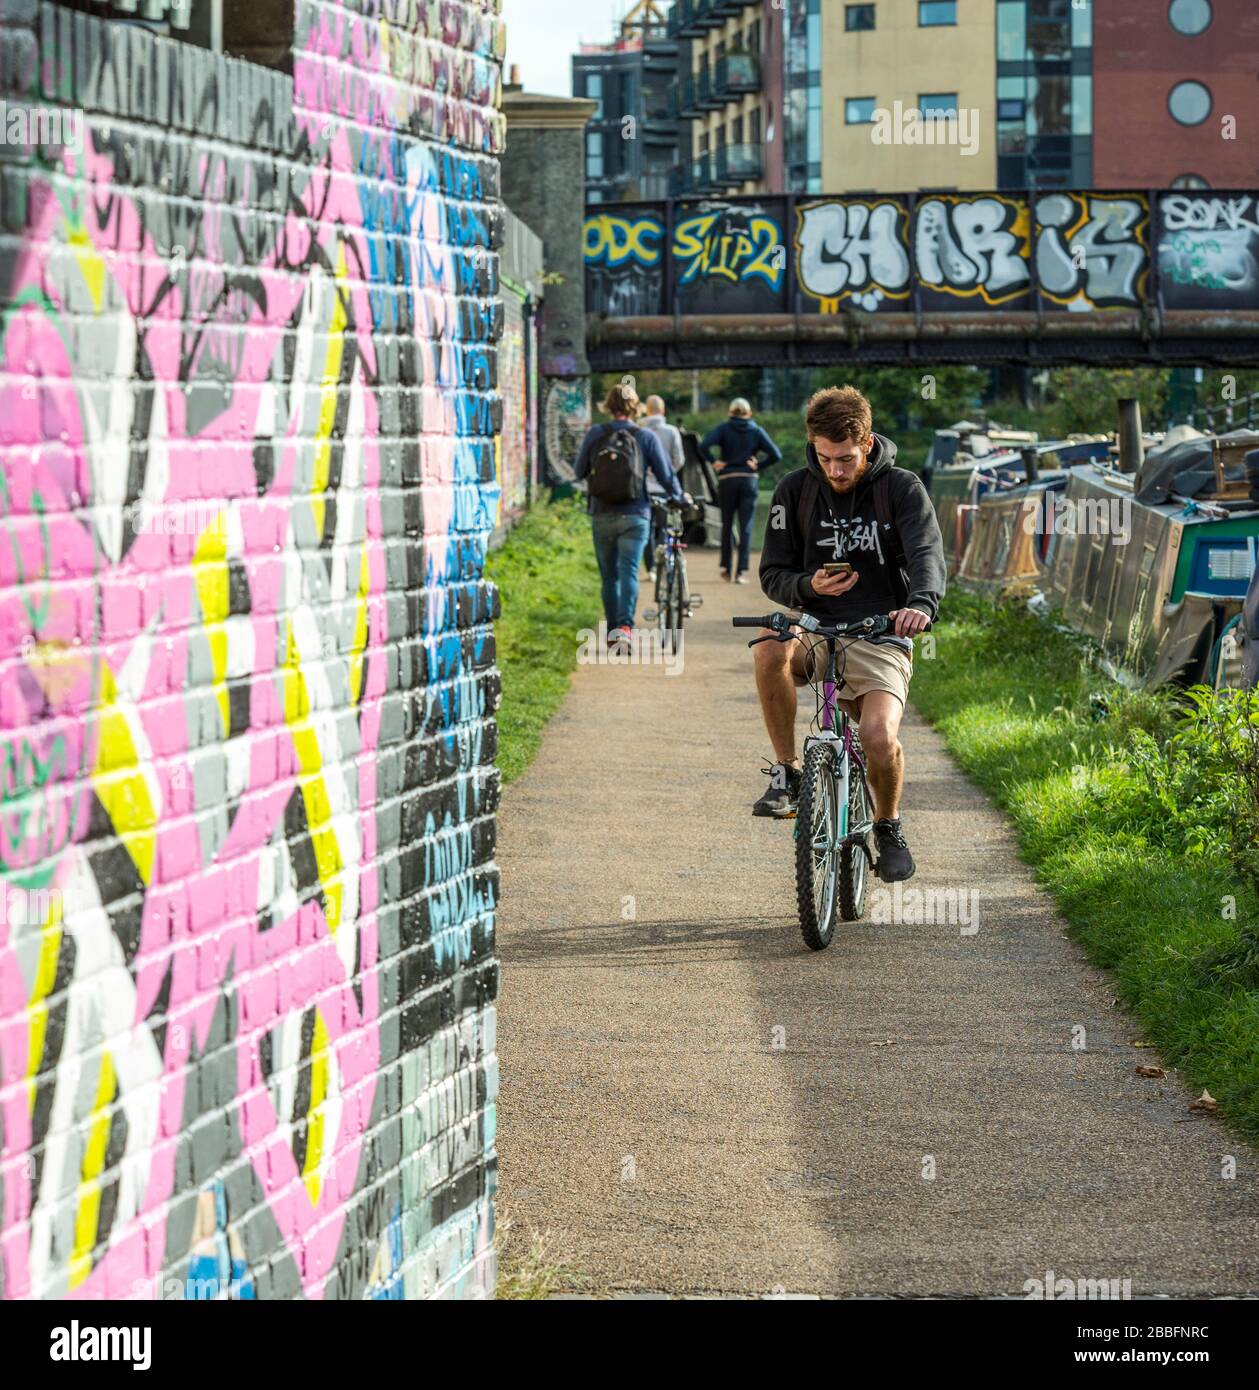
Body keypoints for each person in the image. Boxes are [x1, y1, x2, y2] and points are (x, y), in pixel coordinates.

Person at [752, 385, 946, 883]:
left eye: (846, 459)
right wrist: (805, 584)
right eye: (825, 458)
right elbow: (773, 573)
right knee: (769, 644)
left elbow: (926, 555)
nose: (835, 470)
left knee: (879, 737)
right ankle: (788, 772)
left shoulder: (900, 488)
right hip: (816, 627)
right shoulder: (794, 490)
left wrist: (919, 606)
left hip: (880, 630)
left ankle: (888, 827)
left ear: (867, 443)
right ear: (812, 445)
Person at [574, 383, 689, 650]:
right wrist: (680, 496)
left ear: (608, 405)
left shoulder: (595, 433)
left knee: (609, 576)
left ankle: (613, 630)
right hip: (636, 514)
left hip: (602, 513)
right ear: (635, 407)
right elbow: (666, 475)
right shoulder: (645, 436)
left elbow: (579, 471)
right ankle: (626, 627)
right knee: (630, 571)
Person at [701, 398, 782, 584]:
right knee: (745, 527)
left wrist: (715, 462)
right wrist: (758, 465)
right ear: (749, 413)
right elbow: (776, 455)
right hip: (748, 481)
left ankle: (727, 569)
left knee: (727, 524)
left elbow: (704, 446)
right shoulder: (756, 430)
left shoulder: (723, 428)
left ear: (730, 413)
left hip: (727, 480)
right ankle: (740, 572)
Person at [638, 395, 685, 579]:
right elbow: (679, 460)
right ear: (663, 411)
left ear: (646, 410)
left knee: (647, 529)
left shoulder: (638, 430)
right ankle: (664, 563)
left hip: (643, 488)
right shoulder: (671, 431)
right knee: (665, 528)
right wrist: (667, 472)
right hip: (665, 488)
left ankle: (650, 568)